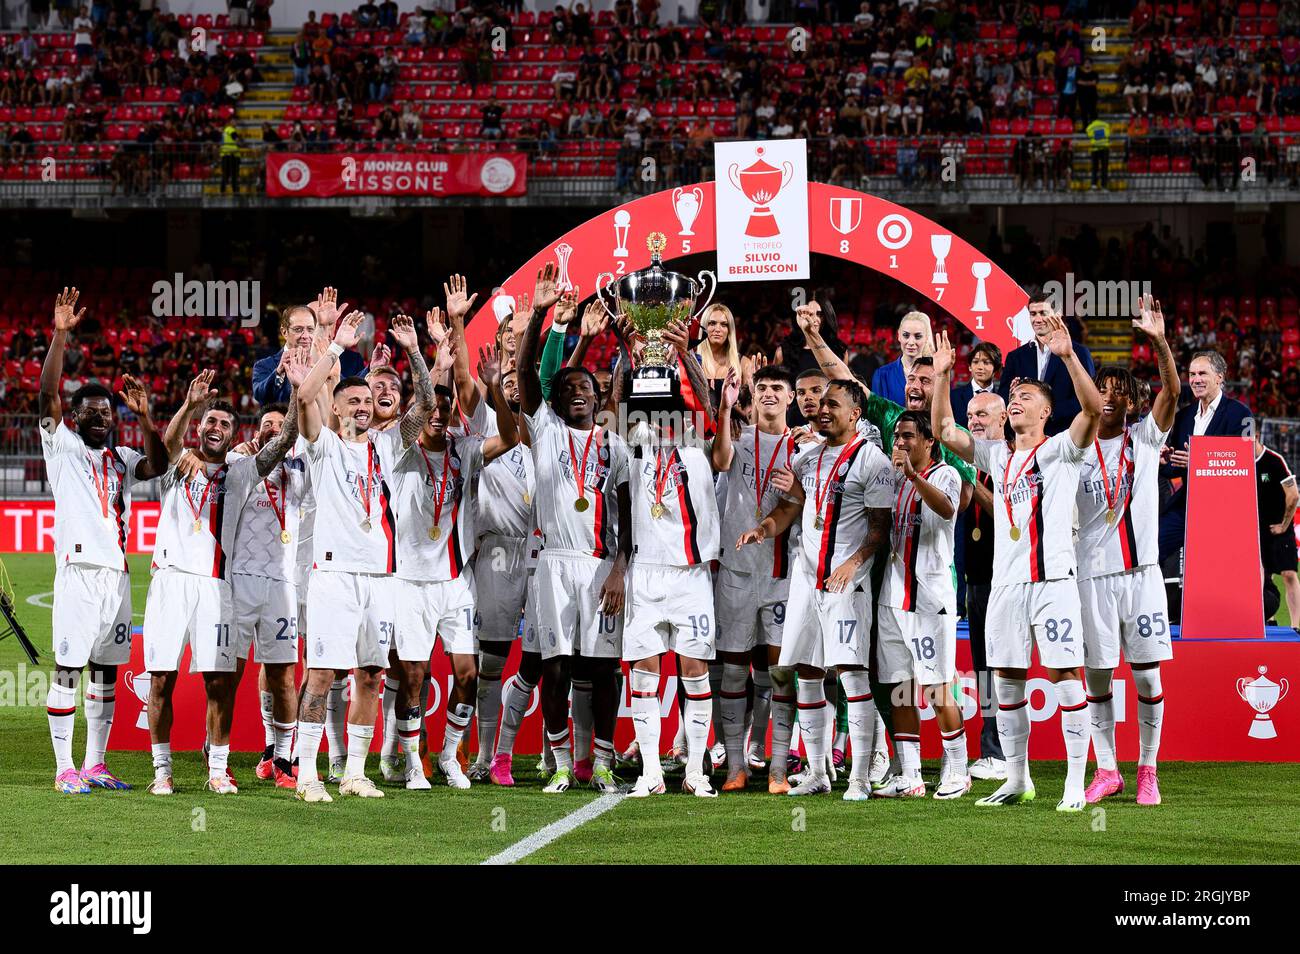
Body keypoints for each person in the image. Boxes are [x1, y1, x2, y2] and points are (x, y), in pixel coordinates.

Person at [931, 314, 1104, 812]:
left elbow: (1092, 408)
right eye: (1014, 397)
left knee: (1064, 675)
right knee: (1005, 680)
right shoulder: (997, 458)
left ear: (1047, 413)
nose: (1017, 400)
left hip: (1052, 582)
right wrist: (943, 374)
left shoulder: (1064, 451)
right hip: (1006, 585)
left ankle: (1075, 780)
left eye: (1027, 397)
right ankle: (1017, 778)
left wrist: (1068, 355)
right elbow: (945, 429)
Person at [291, 311, 434, 802]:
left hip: (382, 578)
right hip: (333, 575)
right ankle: (307, 773)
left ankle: (355, 771)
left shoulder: (390, 446)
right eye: (352, 400)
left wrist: (414, 350)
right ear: (335, 409)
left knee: (371, 674)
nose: (363, 407)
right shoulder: (323, 445)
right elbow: (305, 396)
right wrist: (334, 348)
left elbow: (428, 405)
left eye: (368, 400)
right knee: (323, 674)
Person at [143, 366, 297, 796]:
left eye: (225, 424)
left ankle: (217, 769)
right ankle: (162, 770)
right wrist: (191, 404)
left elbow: (283, 442)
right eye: (211, 420)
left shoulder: (242, 471)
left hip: (216, 586)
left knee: (218, 682)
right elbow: (167, 444)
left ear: (233, 435)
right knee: (160, 681)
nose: (216, 427)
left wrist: (301, 388)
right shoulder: (179, 463)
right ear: (201, 427)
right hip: (170, 582)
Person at [738, 378, 894, 800]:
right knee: (806, 672)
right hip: (806, 582)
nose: (822, 410)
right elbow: (791, 507)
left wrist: (852, 563)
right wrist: (764, 528)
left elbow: (881, 530)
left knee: (851, 676)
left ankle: (860, 777)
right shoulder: (807, 457)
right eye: (821, 403)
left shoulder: (874, 462)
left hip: (847, 584)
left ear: (855, 414)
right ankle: (818, 771)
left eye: (833, 405)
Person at [40, 288, 169, 794]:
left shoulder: (122, 457)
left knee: (107, 672)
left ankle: (95, 763)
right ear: (75, 418)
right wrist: (61, 334)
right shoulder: (63, 445)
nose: (100, 417)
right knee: (68, 667)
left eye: (106, 412)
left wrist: (144, 415)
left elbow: (159, 465)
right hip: (78, 573)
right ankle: (63, 767)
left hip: (117, 576)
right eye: (90, 411)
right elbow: (49, 394)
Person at [515, 265, 631, 794]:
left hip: (604, 566)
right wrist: (540, 313)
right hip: (555, 562)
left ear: (599, 396)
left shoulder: (616, 445)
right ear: (558, 402)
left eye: (588, 387)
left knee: (604, 670)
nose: (579, 392)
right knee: (555, 669)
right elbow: (522, 382)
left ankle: (602, 762)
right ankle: (562, 763)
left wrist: (620, 571)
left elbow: (627, 515)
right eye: (570, 388)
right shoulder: (546, 432)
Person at [386, 331, 513, 790]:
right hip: (411, 582)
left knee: (467, 673)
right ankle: (412, 763)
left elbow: (512, 436)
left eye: (445, 409)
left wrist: (495, 387)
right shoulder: (398, 454)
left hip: (456, 582)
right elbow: (420, 404)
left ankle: (448, 755)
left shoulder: (463, 451)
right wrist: (423, 355)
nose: (439, 415)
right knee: (414, 676)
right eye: (431, 409)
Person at [1077, 296, 1179, 808]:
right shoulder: (1072, 447)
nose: (1111, 397)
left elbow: (1173, 392)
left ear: (1134, 403)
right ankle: (1107, 769)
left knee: (1145, 673)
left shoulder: (1146, 439)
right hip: (1090, 577)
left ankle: (1147, 769)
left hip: (1140, 576)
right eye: (1103, 390)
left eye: (1120, 391)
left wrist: (1159, 341)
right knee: (1097, 675)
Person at [621, 319, 722, 798]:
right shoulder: (629, 444)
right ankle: (650, 772)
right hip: (643, 572)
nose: (657, 417)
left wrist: (687, 357)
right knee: (642, 672)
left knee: (694, 671)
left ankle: (696, 771)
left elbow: (711, 406)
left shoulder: (696, 438)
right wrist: (626, 349)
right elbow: (615, 405)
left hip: (690, 573)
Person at [712, 364, 800, 792]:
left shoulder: (804, 448)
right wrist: (727, 410)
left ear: (790, 398)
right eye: (761, 387)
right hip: (736, 573)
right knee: (732, 673)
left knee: (781, 672)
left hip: (782, 576)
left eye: (776, 388)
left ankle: (779, 769)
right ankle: (734, 766)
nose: (768, 393)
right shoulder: (739, 438)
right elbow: (719, 460)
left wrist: (798, 484)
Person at [875, 411, 969, 799]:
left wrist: (913, 475)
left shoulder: (944, 473)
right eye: (897, 435)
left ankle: (958, 771)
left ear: (929, 441)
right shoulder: (892, 477)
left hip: (930, 600)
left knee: (937, 690)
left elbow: (947, 509)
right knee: (900, 688)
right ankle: (911, 776)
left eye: (909, 435)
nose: (901, 442)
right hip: (891, 599)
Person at [227, 400, 308, 791]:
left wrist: (293, 454)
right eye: (267, 423)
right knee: (231, 671)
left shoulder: (298, 468)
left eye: (281, 424)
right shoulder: (239, 462)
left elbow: (309, 489)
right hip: (240, 579)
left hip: (281, 582)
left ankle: (282, 758)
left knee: (283, 675)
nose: (274, 428)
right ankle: (222, 758)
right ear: (255, 430)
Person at [1157, 349, 1254, 573]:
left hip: (1223, 508)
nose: (1196, 380)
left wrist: (1200, 462)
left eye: (1202, 373)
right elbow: (1177, 469)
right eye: (1192, 374)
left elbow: (1244, 463)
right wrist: (1166, 461)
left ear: (1220, 377)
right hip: (1187, 505)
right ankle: (1160, 605)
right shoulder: (1183, 416)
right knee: (1153, 550)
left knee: (1217, 570)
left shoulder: (1241, 413)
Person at [962, 390, 1007, 780]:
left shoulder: (1012, 458)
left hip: (1007, 579)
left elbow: (1006, 514)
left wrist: (969, 481)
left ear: (1003, 417)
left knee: (1003, 665)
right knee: (983, 670)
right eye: (970, 415)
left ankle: (1003, 750)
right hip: (974, 579)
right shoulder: (967, 462)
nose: (974, 420)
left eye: (982, 414)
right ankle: (991, 749)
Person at [998, 293, 1096, 436]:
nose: (1037, 319)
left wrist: (1046, 412)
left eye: (1043, 313)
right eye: (1033, 314)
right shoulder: (1015, 357)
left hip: (1065, 436)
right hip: (1025, 439)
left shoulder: (1078, 353)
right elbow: (1003, 398)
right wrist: (1011, 395)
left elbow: (1088, 398)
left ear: (1058, 314)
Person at [252, 289, 366, 405]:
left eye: (311, 329)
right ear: (284, 332)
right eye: (298, 329)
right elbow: (261, 396)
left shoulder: (344, 360)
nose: (306, 336)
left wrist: (374, 368)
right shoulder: (264, 365)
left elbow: (354, 391)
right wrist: (278, 373)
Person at [1255, 436, 1299, 628]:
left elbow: (1293, 495)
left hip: (1280, 527)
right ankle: (1268, 622)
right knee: (1263, 578)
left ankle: (1296, 626)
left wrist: (1284, 524)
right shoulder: (1239, 464)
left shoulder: (1274, 460)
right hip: (1256, 530)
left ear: (1255, 437)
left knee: (1288, 574)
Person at [870, 310, 934, 407]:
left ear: (926, 338)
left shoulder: (937, 374)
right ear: (899, 335)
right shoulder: (882, 374)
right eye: (906, 335)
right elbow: (877, 416)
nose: (911, 342)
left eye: (918, 336)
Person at [694, 302, 741, 407]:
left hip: (731, 423)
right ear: (704, 327)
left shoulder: (743, 364)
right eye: (712, 323)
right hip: (699, 422)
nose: (718, 329)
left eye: (724, 324)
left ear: (730, 330)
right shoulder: (692, 361)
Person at [950, 341, 1002, 431]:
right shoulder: (953, 397)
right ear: (970, 367)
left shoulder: (1003, 398)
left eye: (986, 362)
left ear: (996, 369)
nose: (980, 367)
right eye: (975, 362)